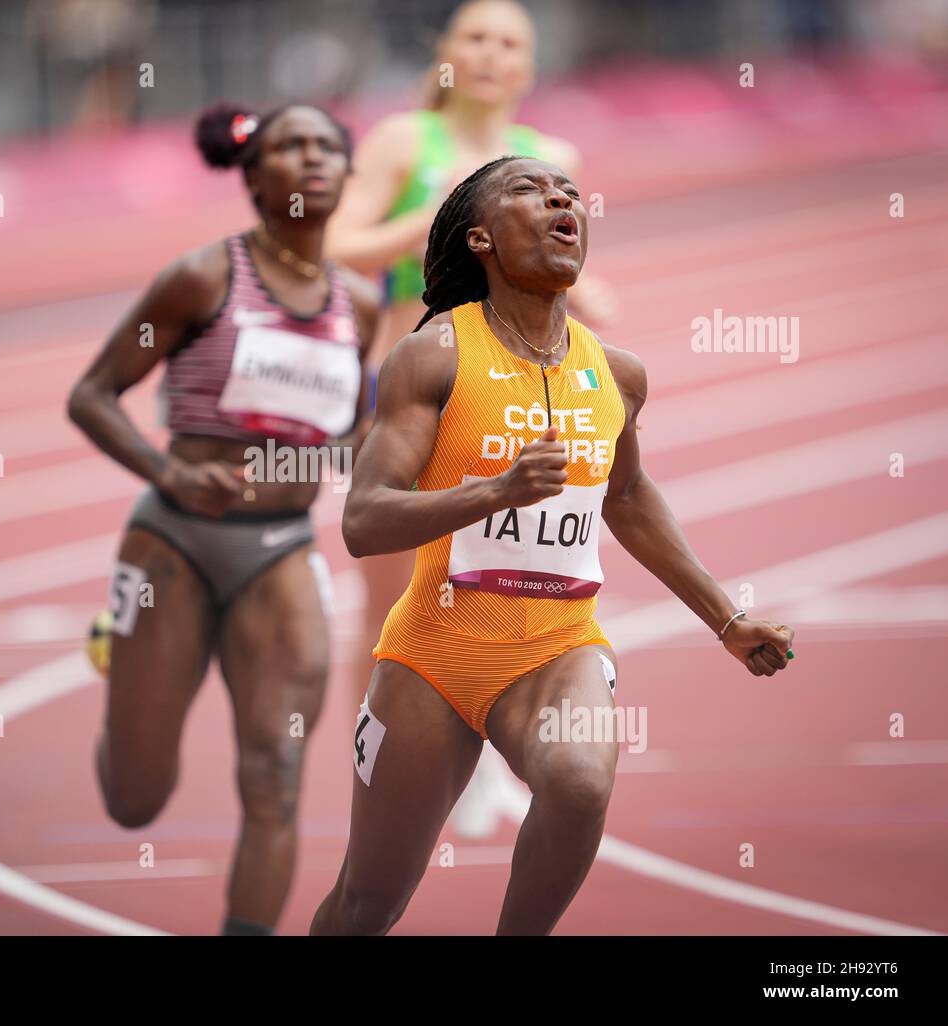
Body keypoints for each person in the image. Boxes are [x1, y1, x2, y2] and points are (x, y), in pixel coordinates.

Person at [310, 155, 794, 935]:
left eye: (566, 192)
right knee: (368, 903)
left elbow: (628, 496)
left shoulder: (616, 374)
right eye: (529, 192)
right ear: (481, 240)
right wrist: (494, 491)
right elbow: (364, 520)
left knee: (577, 782)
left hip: (559, 650)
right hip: (430, 657)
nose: (560, 198)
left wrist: (726, 619)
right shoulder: (432, 357)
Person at [68, 101, 379, 936]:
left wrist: (349, 452)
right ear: (251, 177)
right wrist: (167, 468)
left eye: (327, 146)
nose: (312, 158)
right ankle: (119, 645)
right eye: (289, 145)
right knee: (135, 801)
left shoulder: (360, 306)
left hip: (279, 550)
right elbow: (91, 395)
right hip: (174, 539)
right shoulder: (203, 277)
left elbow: (351, 437)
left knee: (276, 771)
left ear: (348, 176)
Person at [324, 5, 618, 836]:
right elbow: (334, 247)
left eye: (510, 44)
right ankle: (378, 767)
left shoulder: (552, 157)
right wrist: (428, 227)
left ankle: (486, 758)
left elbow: (562, 273)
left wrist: (590, 295)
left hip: (521, 401)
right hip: (413, 389)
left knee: (504, 582)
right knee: (396, 598)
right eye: (475, 39)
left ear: (529, 68)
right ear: (445, 56)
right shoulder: (403, 143)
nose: (491, 55)